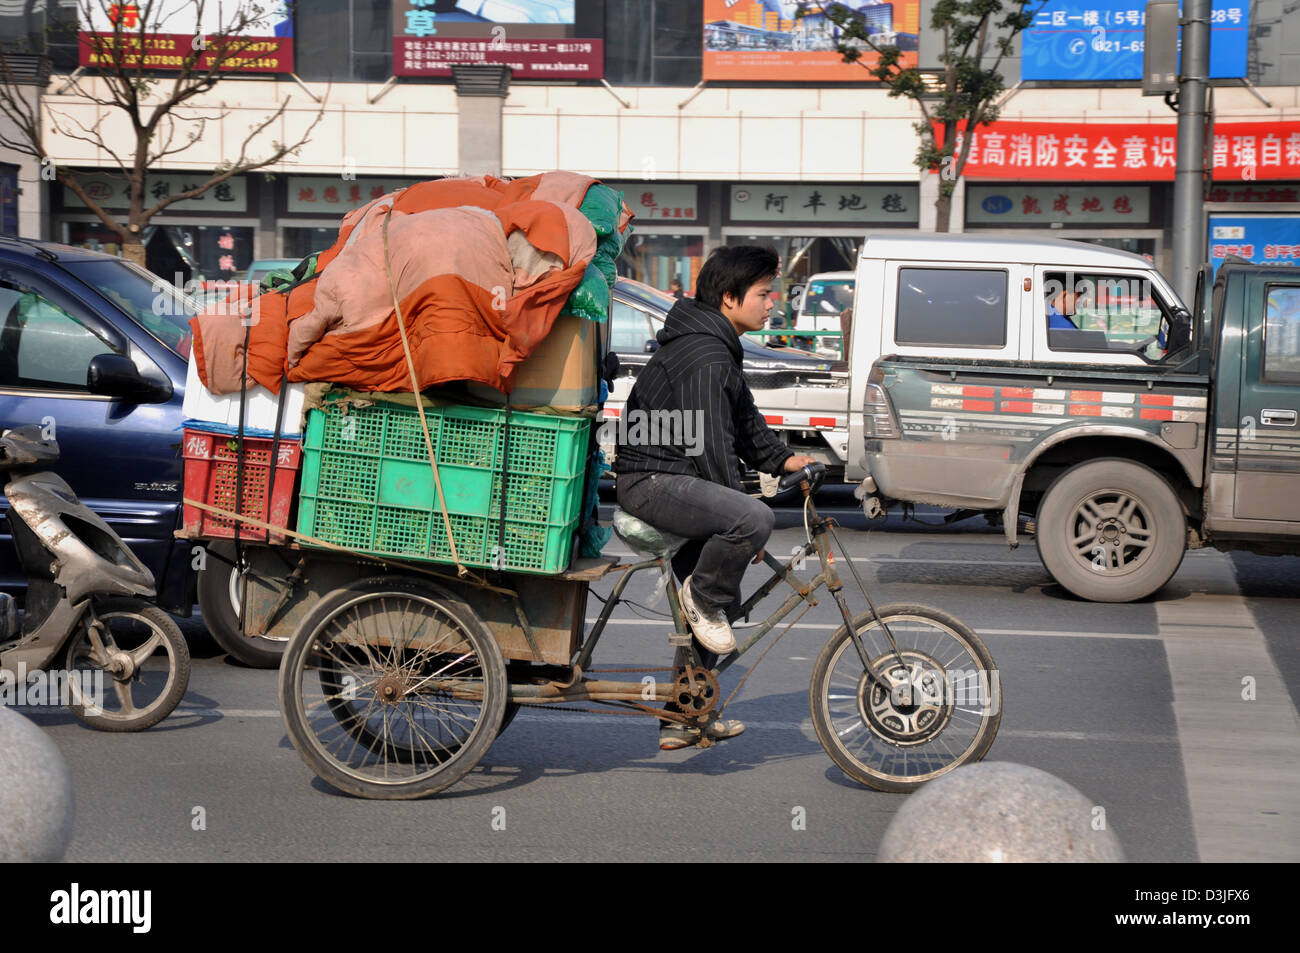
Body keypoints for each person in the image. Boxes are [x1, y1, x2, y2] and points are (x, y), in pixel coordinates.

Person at [616, 245, 817, 750]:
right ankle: (703, 599)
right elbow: (712, 447)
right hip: (653, 483)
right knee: (747, 523)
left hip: (675, 480)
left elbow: (744, 423)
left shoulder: (717, 343)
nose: (773, 304)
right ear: (730, 297)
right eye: (764, 293)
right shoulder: (704, 353)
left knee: (710, 612)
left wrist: (783, 459)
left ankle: (683, 717)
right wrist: (741, 513)